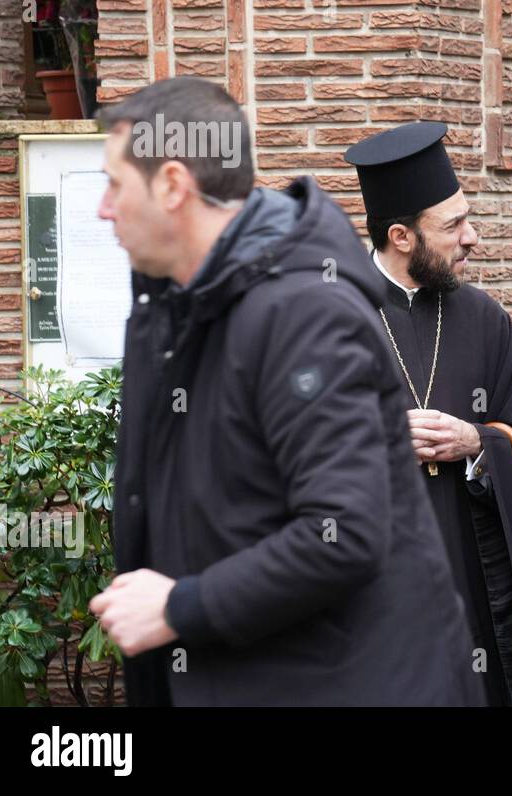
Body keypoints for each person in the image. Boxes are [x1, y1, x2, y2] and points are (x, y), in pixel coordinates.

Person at [89, 77, 480, 706]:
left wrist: (181, 607)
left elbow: (344, 531)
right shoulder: (168, 310)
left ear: (170, 184)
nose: (103, 209)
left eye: (114, 184)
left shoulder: (303, 313)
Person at [343, 121, 512, 707]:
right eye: (453, 226)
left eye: (468, 218)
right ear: (401, 235)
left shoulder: (481, 318)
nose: (472, 237)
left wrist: (475, 442)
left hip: (473, 573)